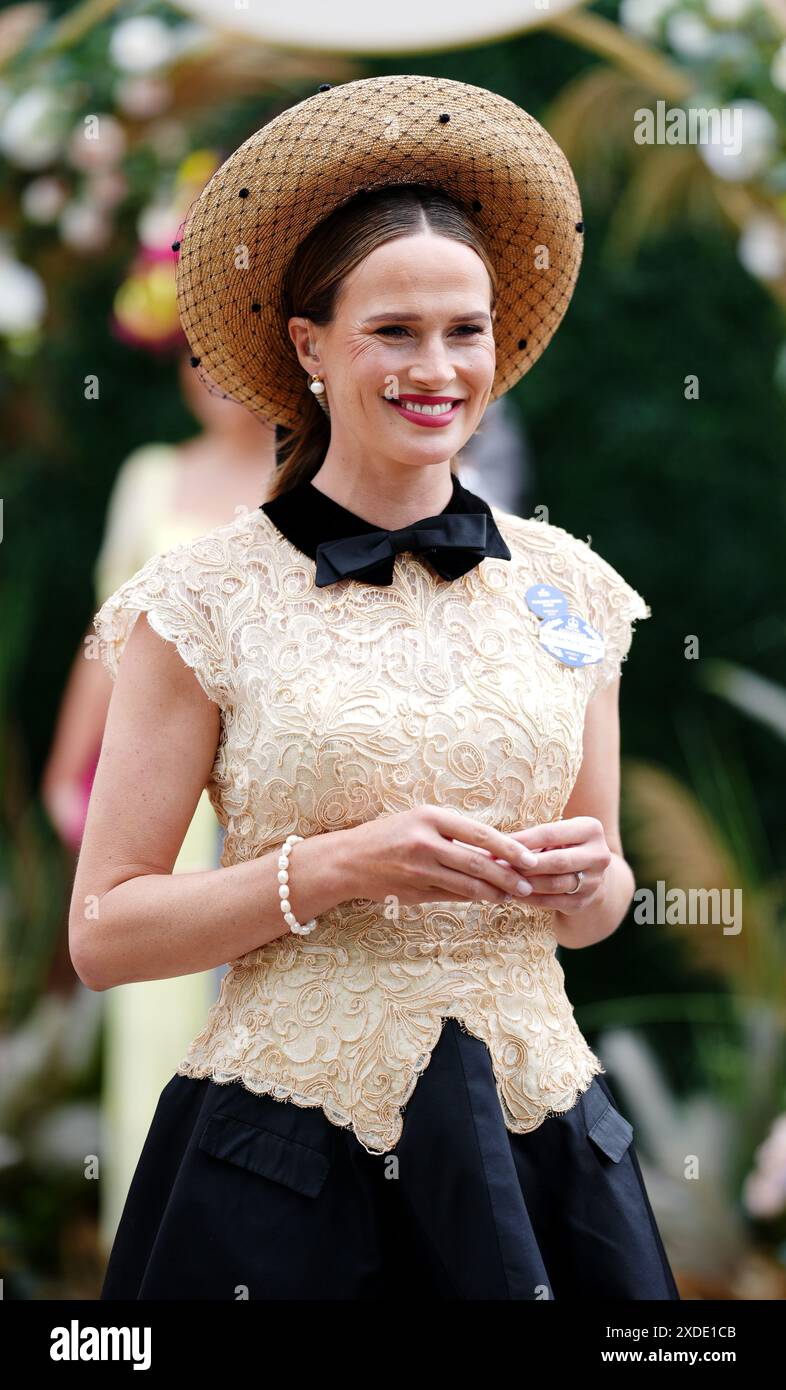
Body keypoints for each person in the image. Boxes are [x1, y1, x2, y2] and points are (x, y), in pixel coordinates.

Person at [70, 74, 680, 1300]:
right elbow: (104, 931)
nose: (439, 368)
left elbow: (599, 898)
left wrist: (589, 879)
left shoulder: (574, 591)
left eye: (465, 330)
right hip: (283, 1166)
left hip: (540, 1149)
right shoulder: (198, 601)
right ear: (309, 345)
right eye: (392, 331)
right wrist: (341, 867)